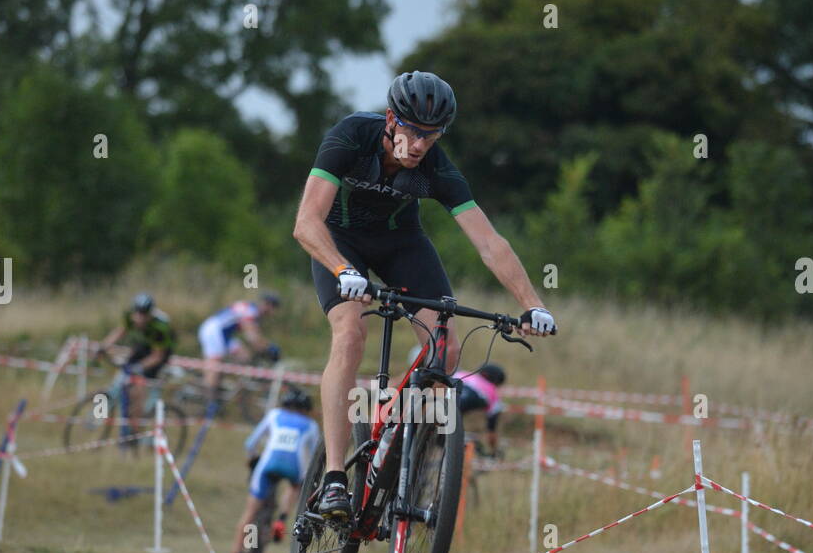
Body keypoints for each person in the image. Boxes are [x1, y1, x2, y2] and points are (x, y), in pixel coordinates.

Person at [292, 69, 556, 517]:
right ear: (392, 120)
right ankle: (335, 476)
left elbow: (490, 243)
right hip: (341, 242)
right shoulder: (351, 137)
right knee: (350, 334)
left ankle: (395, 434)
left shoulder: (436, 167)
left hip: (402, 245)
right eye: (413, 132)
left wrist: (532, 303)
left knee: (446, 348)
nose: (418, 146)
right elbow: (305, 223)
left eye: (430, 136)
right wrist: (341, 269)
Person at [231, 387, 320, 553]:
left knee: (250, 512)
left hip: (268, 464)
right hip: (294, 467)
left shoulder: (274, 414)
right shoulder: (311, 425)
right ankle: (282, 517)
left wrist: (252, 460)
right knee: (294, 486)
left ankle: (236, 552)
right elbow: (317, 454)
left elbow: (250, 443)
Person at [198, 294, 281, 401]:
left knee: (245, 357)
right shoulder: (250, 310)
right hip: (215, 331)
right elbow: (252, 336)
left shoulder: (253, 311)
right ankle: (209, 399)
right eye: (273, 308)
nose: (273, 312)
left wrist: (265, 347)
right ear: (267, 305)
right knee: (215, 364)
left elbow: (256, 337)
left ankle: (222, 384)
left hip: (225, 335)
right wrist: (269, 348)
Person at [96, 293, 175, 378]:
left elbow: (157, 356)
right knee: (129, 367)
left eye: (144, 314)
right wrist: (103, 346)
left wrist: (138, 367)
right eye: (137, 313)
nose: (139, 318)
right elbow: (120, 332)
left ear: (150, 314)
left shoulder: (159, 328)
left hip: (162, 348)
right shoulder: (130, 316)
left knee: (145, 374)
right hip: (146, 342)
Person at [458, 362, 505, 455]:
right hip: (457, 408)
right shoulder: (493, 394)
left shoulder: (462, 374)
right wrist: (494, 450)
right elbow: (491, 432)